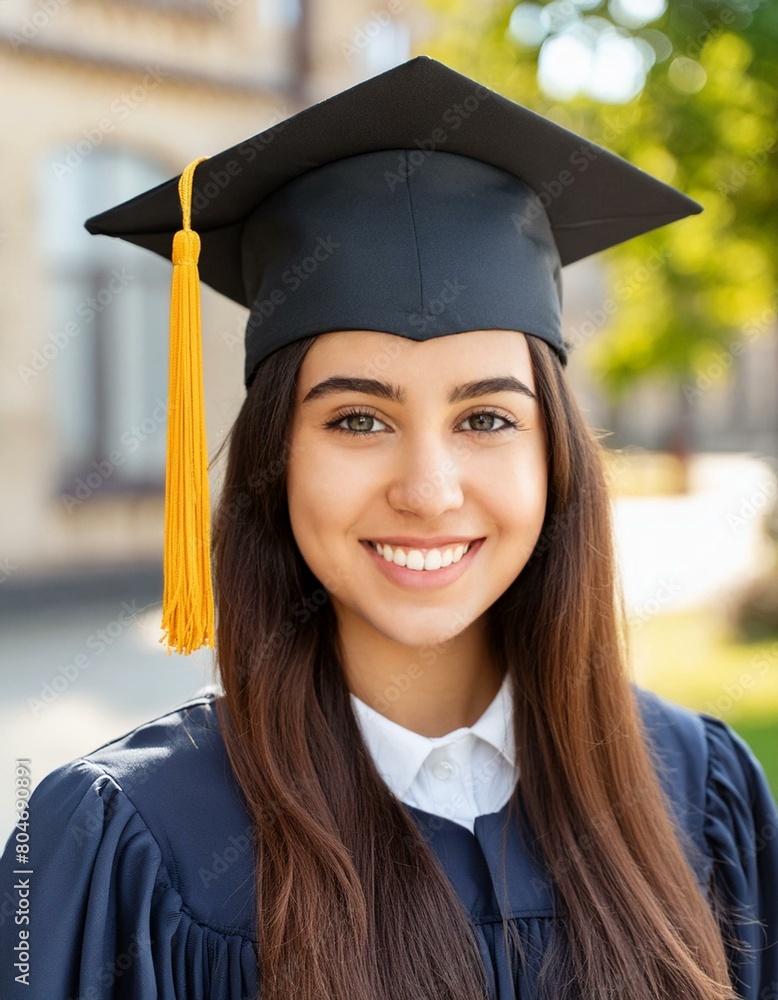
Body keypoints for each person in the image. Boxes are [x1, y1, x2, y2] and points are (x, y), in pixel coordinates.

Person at [1, 54, 776, 1000]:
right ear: (276, 457)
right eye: (358, 420)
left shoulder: (700, 789)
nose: (429, 490)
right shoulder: (127, 843)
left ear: (556, 457)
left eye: (486, 418)